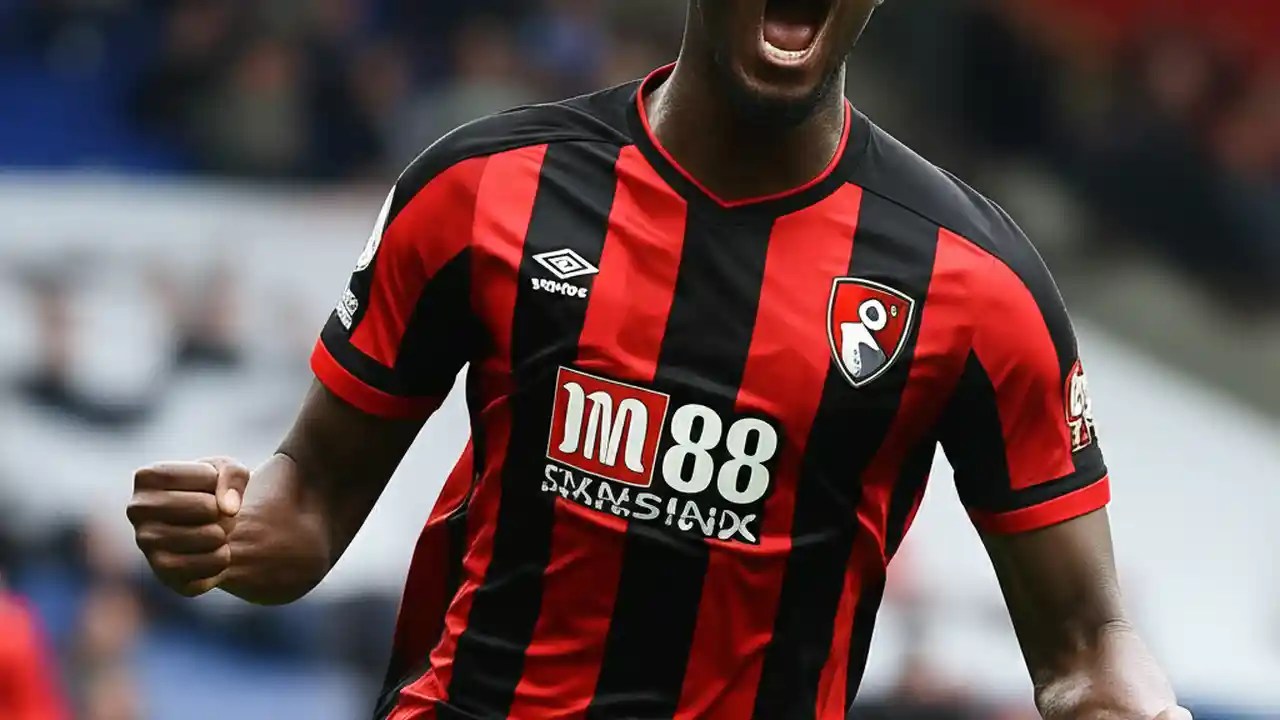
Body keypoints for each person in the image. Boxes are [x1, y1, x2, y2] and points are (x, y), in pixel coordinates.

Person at [126, 1, 1192, 718]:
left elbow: (1085, 644)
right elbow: (308, 499)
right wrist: (232, 529)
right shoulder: (482, 188)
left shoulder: (976, 285)